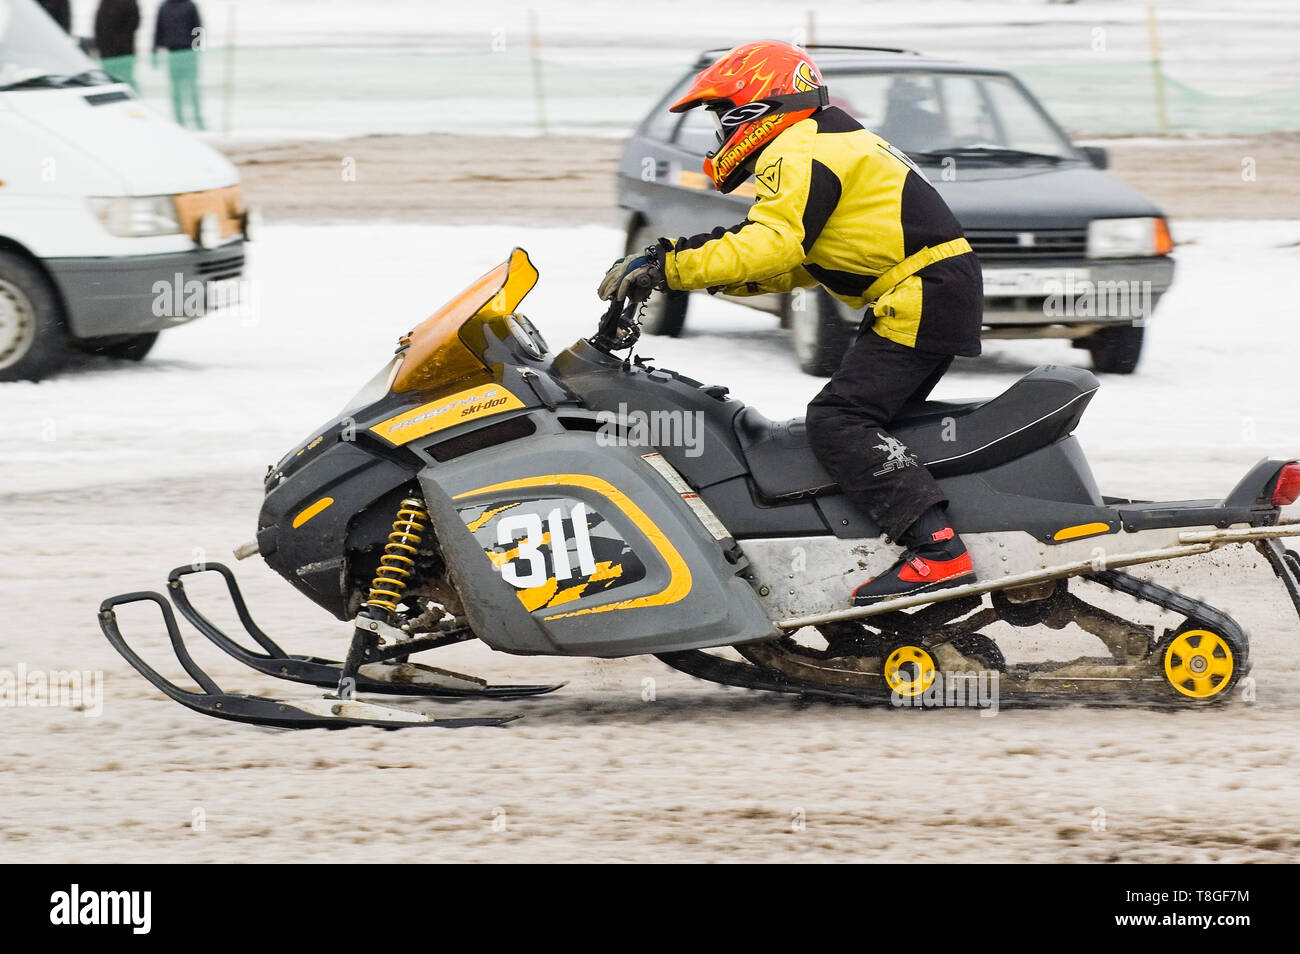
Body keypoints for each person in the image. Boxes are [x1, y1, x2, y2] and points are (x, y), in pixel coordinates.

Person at [598, 41, 984, 606]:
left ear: (758, 105)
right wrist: (698, 274)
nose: (720, 134)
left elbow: (771, 244)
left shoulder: (798, 148)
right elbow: (799, 260)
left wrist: (669, 266)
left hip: (924, 293)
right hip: (930, 289)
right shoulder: (824, 136)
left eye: (722, 117)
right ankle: (902, 523)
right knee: (868, 418)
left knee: (838, 421)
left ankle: (939, 552)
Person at [153, 0, 204, 129]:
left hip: (189, 53)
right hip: (173, 52)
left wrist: (197, 49)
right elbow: (158, 30)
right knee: (176, 89)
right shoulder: (164, 7)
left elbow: (198, 28)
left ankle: (197, 119)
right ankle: (179, 120)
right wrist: (154, 51)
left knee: (192, 88)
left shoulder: (190, 6)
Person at [95, 0, 141, 90]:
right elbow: (99, 24)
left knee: (126, 80)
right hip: (107, 51)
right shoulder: (105, 2)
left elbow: (134, 23)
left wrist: (121, 41)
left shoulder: (129, 2)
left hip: (123, 51)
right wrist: (99, 45)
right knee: (108, 81)